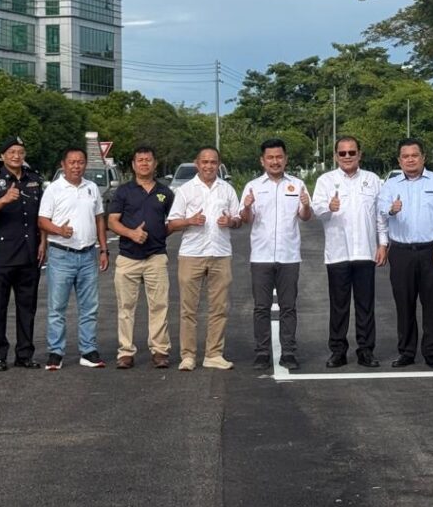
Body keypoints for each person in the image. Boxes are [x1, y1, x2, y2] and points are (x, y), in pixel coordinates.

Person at [377, 138, 433, 369]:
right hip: (401, 252)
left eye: (414, 155)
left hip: (431, 251)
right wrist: (391, 210)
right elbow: (380, 212)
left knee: (432, 304)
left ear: (423, 158)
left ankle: (432, 352)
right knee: (404, 304)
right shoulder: (391, 185)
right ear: (399, 160)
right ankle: (406, 352)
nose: (410, 160)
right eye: (405, 156)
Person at [167, 146, 242, 371]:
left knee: (219, 308)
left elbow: (238, 219)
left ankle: (214, 354)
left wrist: (230, 222)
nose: (209, 166)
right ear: (197, 163)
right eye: (205, 162)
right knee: (188, 309)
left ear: (219, 164)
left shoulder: (227, 189)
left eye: (213, 162)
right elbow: (172, 222)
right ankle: (188, 355)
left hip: (220, 253)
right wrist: (189, 220)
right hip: (192, 254)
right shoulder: (185, 190)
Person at [240, 138, 312, 371]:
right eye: (270, 157)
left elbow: (305, 216)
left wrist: (306, 205)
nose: (275, 161)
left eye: (279, 157)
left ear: (285, 159)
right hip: (261, 256)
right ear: (262, 161)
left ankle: (289, 351)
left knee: (288, 307)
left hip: (289, 256)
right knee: (261, 307)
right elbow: (246, 219)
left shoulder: (297, 185)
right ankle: (262, 352)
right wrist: (247, 206)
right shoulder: (252, 186)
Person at [311, 135, 382, 369]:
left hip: (365, 252)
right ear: (335, 156)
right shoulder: (325, 181)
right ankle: (338, 351)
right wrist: (328, 207)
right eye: (342, 153)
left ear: (360, 154)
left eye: (352, 152)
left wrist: (383, 244)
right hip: (338, 253)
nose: (347, 156)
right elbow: (316, 210)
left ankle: (366, 350)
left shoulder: (372, 180)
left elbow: (380, 216)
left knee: (365, 306)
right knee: (339, 306)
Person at [0, 136, 45, 372]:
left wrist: (43, 242)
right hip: (1, 256)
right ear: (3, 156)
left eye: (20, 152)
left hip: (28, 253)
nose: (16, 156)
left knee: (27, 308)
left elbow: (42, 215)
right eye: (12, 152)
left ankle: (24, 354)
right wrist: (3, 200)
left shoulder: (34, 179)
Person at [38, 147, 109, 370]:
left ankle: (88, 350)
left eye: (80, 162)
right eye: (72, 162)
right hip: (61, 254)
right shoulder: (54, 189)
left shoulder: (92, 188)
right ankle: (55, 352)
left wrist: (103, 249)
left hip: (87, 254)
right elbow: (42, 220)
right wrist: (59, 230)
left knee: (89, 307)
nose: (76, 166)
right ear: (63, 164)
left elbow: (99, 219)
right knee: (57, 307)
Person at [108, 146, 174, 370]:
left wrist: (159, 233)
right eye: (140, 160)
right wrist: (131, 234)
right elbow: (112, 221)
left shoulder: (165, 192)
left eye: (148, 160)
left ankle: (160, 350)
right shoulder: (123, 191)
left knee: (159, 306)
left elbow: (172, 221)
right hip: (128, 257)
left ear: (155, 164)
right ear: (134, 165)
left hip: (156, 256)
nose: (144, 163)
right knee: (126, 307)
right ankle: (126, 351)